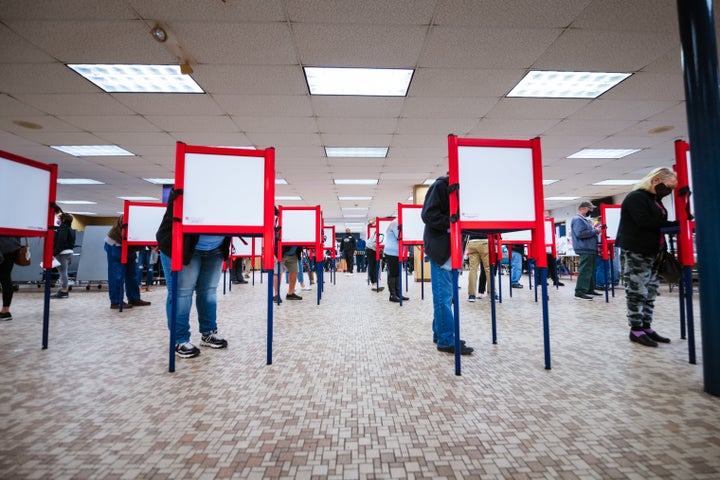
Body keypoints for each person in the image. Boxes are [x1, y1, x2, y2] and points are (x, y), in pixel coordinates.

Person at [156, 191, 230, 358]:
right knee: (181, 293)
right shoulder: (190, 179)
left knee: (209, 292)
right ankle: (180, 340)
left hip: (215, 247)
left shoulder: (229, 186)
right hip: (182, 246)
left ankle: (208, 332)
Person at [616, 167, 679, 347]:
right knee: (637, 290)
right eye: (668, 186)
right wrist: (672, 225)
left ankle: (646, 326)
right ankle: (636, 329)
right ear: (656, 180)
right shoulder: (636, 197)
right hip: (638, 250)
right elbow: (644, 222)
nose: (669, 191)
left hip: (654, 251)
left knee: (651, 289)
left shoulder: (654, 199)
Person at [421, 175, 474, 355]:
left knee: (446, 296)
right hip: (441, 250)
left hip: (450, 250)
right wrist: (451, 221)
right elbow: (427, 215)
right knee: (443, 297)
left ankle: (440, 333)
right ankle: (446, 340)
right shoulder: (441, 186)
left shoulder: (460, 190)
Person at [104, 215, 151, 310]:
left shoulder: (149, 222)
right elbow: (124, 228)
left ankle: (134, 298)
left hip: (129, 247)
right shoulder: (131, 214)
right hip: (116, 244)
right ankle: (116, 301)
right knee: (117, 275)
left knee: (132, 274)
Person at [571, 201, 602, 300]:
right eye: (590, 209)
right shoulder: (577, 219)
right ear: (583, 208)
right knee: (585, 270)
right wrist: (596, 231)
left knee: (591, 270)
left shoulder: (584, 220)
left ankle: (589, 289)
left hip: (590, 248)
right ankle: (580, 291)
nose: (591, 211)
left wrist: (594, 230)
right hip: (585, 248)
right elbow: (580, 234)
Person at [51, 213, 76, 298]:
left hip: (62, 253)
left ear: (63, 220)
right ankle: (64, 289)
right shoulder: (70, 229)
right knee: (63, 272)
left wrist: (53, 253)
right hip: (68, 252)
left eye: (60, 219)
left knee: (62, 272)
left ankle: (64, 290)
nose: (58, 220)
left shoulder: (63, 229)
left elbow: (60, 243)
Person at [383, 218, 408, 303]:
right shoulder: (395, 223)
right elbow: (399, 236)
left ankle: (398, 293)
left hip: (397, 252)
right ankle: (392, 295)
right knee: (393, 273)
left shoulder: (398, 222)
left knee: (397, 273)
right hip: (392, 252)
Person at [0, 236, 22, 320]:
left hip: (4, 247)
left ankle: (5, 311)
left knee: (5, 279)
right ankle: (5, 310)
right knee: (5, 278)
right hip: (12, 248)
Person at [465, 233, 490, 302]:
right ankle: (492, 294)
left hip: (472, 242)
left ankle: (471, 295)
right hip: (484, 241)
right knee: (488, 269)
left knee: (473, 269)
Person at [365, 220, 384, 292]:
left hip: (372, 249)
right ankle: (374, 283)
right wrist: (379, 250)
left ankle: (375, 282)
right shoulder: (379, 233)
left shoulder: (379, 232)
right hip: (370, 249)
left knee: (375, 266)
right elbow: (374, 244)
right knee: (373, 266)